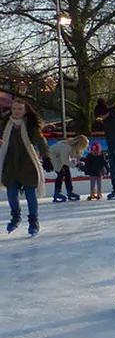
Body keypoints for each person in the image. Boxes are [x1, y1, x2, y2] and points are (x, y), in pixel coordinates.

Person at [1, 97, 51, 236]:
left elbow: (41, 141)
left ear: (24, 111)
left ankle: (33, 221)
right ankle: (16, 216)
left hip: (28, 165)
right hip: (10, 165)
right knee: (11, 194)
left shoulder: (30, 126)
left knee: (30, 195)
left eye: (19, 109)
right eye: (14, 109)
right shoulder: (5, 124)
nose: (16, 112)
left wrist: (46, 157)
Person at [95, 98, 115, 201]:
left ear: (106, 112)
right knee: (113, 168)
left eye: (101, 116)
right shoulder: (107, 119)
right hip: (111, 146)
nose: (100, 118)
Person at [49, 134, 88, 202]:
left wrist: (79, 162)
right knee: (61, 173)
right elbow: (65, 160)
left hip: (59, 157)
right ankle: (57, 193)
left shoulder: (72, 146)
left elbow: (76, 155)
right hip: (54, 157)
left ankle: (70, 192)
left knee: (67, 174)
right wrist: (75, 165)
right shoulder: (66, 146)